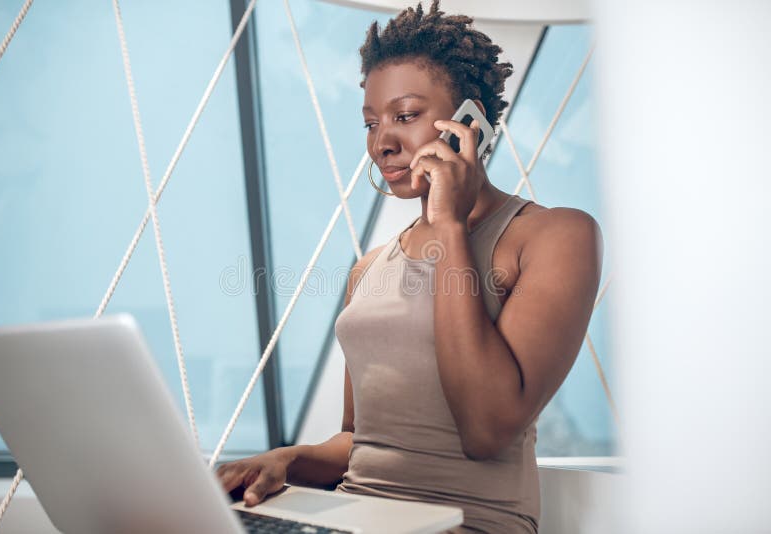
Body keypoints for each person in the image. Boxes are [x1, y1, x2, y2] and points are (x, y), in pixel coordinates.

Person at [217, 1, 603, 531]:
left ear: (470, 122)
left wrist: (449, 226)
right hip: (354, 517)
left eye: (405, 116)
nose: (382, 143)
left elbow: (486, 429)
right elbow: (360, 441)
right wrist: (287, 458)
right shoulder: (369, 269)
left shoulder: (557, 236)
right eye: (371, 123)